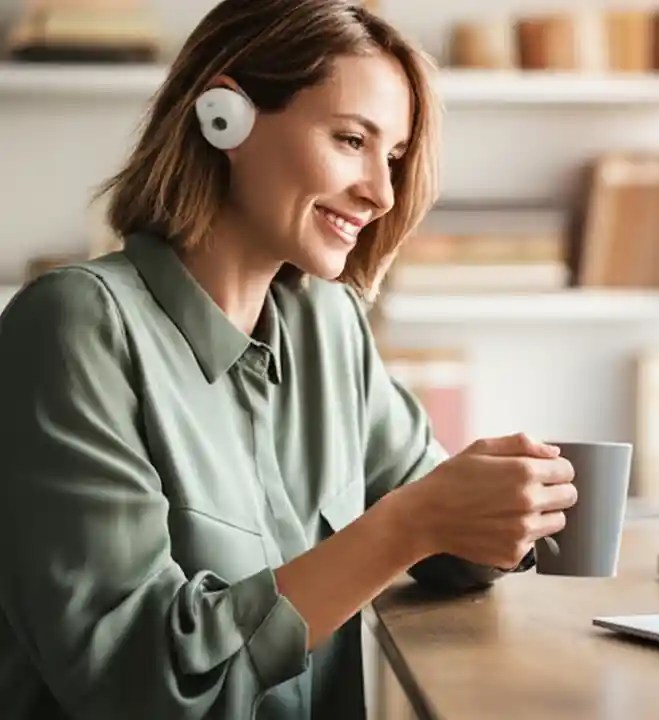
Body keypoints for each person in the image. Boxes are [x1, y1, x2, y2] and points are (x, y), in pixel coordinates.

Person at [0, 1, 577, 718]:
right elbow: (140, 680)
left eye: (393, 157)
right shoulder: (74, 328)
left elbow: (440, 531)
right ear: (225, 116)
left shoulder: (329, 324)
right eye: (351, 140)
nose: (381, 193)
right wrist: (410, 523)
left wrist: (502, 506)